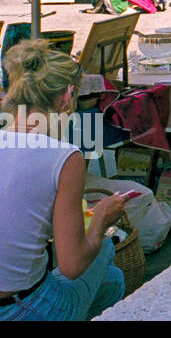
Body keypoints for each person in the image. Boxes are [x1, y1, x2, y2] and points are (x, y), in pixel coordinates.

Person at [0, 40, 129, 322]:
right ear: (67, 96)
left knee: (112, 280)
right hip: (19, 310)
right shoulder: (64, 157)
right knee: (106, 248)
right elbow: (71, 265)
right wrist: (102, 219)